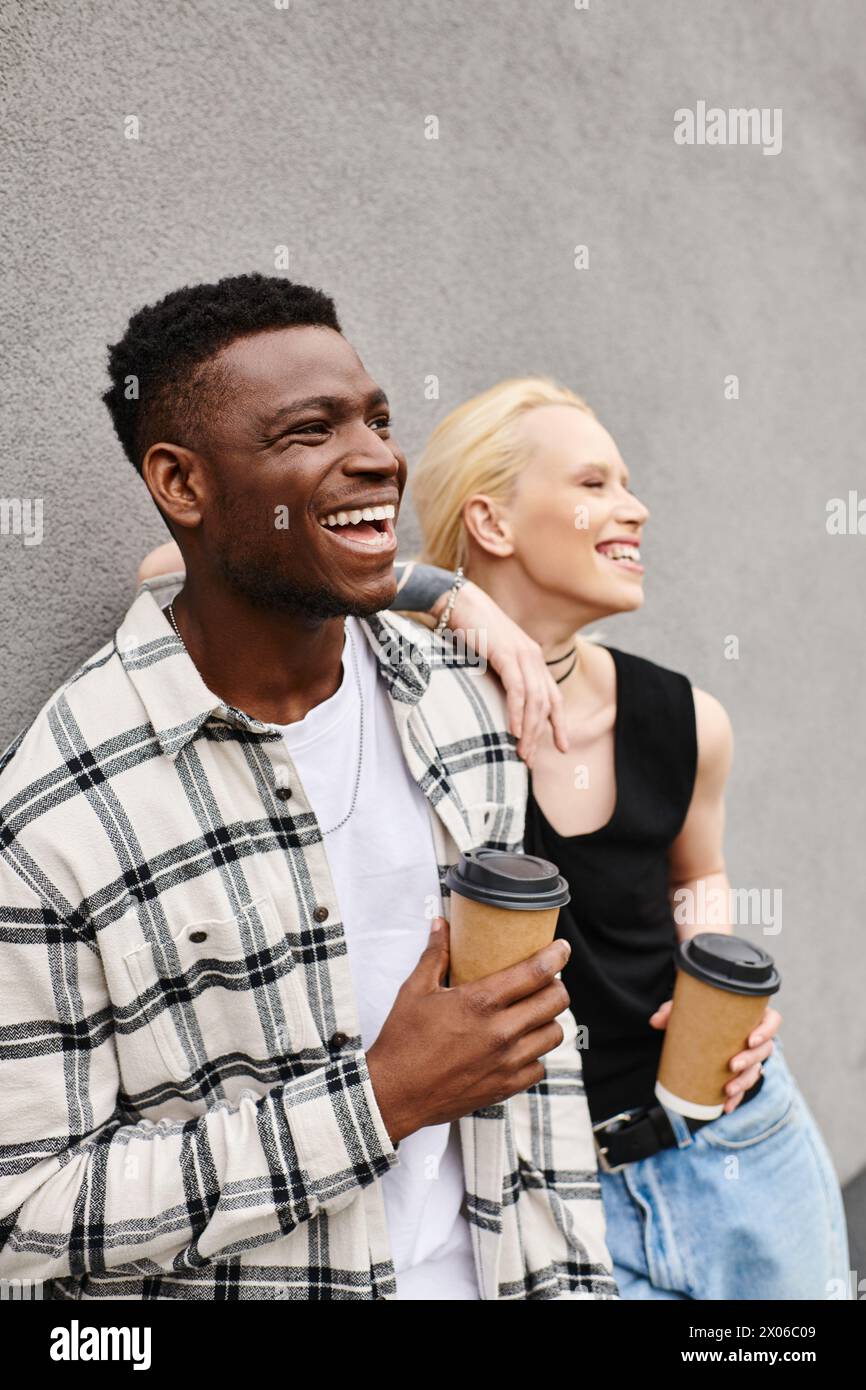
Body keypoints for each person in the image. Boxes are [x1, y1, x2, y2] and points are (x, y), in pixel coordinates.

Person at [0, 278, 617, 1302]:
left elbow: (527, 1065)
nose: (377, 454)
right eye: (309, 430)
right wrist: (375, 1099)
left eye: (375, 417)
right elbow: (26, 1212)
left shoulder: (462, 712)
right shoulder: (59, 815)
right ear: (182, 483)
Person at [398, 376, 849, 1301]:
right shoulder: (398, 703)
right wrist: (452, 600)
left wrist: (713, 982)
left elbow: (700, 872)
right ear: (491, 521)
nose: (634, 508)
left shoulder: (688, 718)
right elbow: (181, 569)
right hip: (550, 1194)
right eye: (594, 484)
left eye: (628, 484)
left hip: (736, 1141)